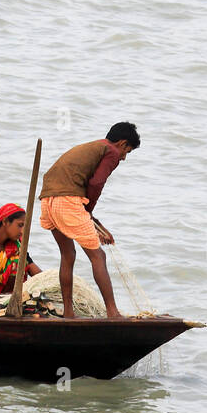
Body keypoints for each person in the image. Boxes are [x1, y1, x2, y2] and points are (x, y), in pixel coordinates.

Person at [38, 121, 140, 318]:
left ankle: (69, 312)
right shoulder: (111, 152)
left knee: (68, 255)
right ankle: (112, 312)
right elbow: (96, 183)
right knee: (98, 257)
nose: (124, 157)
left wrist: (90, 216)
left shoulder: (93, 146)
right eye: (127, 151)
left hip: (48, 200)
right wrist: (88, 211)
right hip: (67, 200)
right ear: (122, 143)